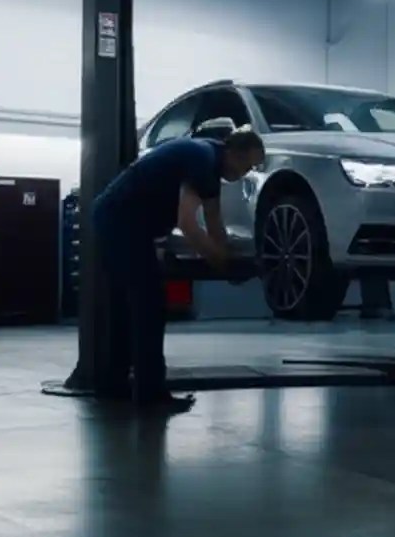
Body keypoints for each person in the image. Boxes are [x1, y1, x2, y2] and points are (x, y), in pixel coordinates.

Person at [92, 128, 266, 412]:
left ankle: (114, 385)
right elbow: (187, 223)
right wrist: (222, 263)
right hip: (120, 220)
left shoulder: (209, 159)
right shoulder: (202, 160)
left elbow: (214, 224)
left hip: (118, 219)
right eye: (247, 164)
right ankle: (150, 395)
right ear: (233, 153)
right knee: (149, 304)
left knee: (130, 305)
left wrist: (229, 258)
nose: (246, 172)